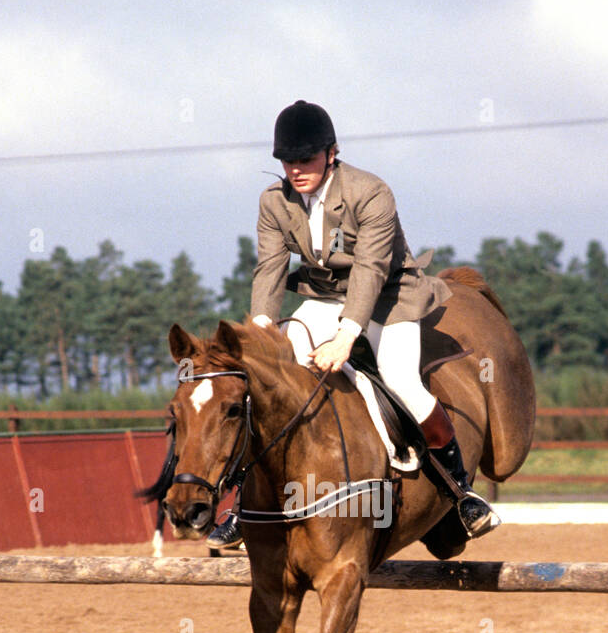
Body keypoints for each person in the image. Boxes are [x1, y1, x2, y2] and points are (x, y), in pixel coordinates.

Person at [208, 100, 498, 547]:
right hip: (323, 297)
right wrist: (262, 334)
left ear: (332, 152)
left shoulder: (371, 192)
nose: (297, 170)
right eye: (288, 161)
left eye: (306, 159)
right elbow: (269, 268)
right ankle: (245, 506)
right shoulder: (273, 201)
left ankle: (461, 491)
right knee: (271, 385)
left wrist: (346, 335)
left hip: (388, 298)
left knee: (401, 379)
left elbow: (369, 270)